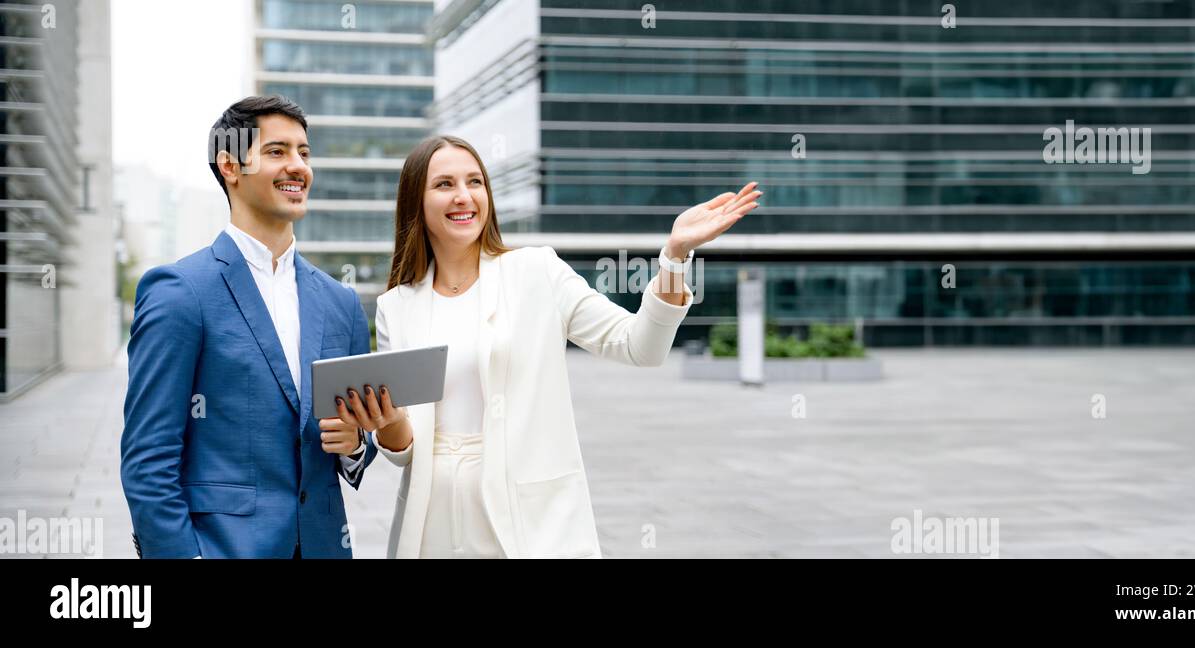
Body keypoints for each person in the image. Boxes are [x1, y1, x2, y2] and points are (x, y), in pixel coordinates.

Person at [326, 135, 760, 558]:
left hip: (530, 523)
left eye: (475, 182)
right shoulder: (397, 306)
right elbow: (404, 451)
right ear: (415, 203)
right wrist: (387, 422)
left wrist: (675, 255)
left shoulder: (536, 272)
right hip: (431, 525)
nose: (464, 196)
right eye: (444, 185)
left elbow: (640, 346)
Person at [121, 95, 377, 558]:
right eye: (277, 152)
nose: (298, 166)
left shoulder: (341, 304)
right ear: (230, 166)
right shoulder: (180, 293)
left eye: (304, 152)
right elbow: (148, 460)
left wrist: (355, 444)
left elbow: (355, 448)